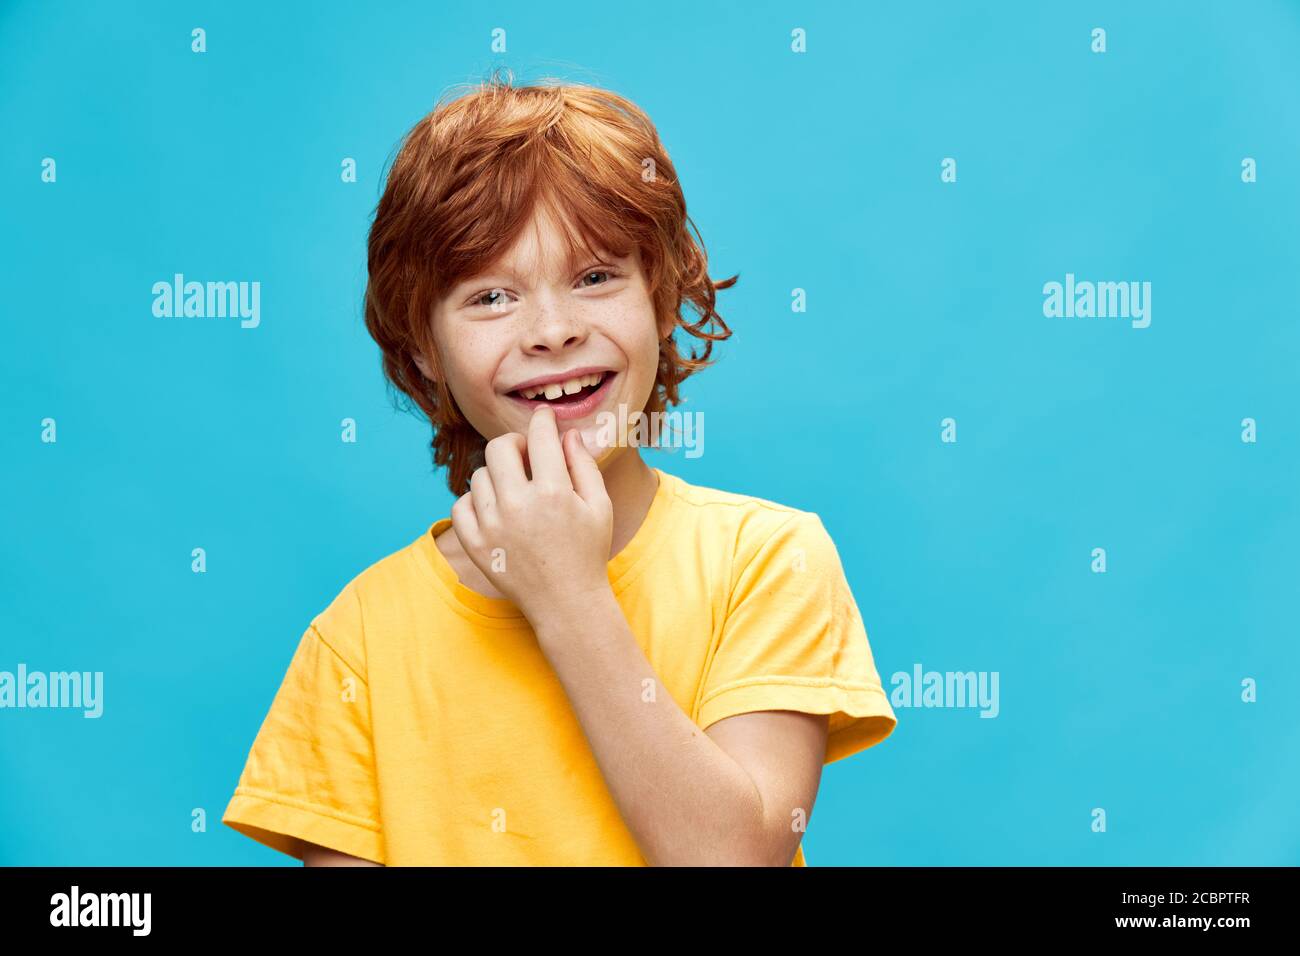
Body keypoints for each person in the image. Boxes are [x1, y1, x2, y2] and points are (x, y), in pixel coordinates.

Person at [222, 73, 897, 866]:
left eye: (594, 277)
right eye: (490, 297)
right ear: (422, 351)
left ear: (662, 294)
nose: (551, 331)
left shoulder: (768, 560)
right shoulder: (359, 640)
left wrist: (569, 597)